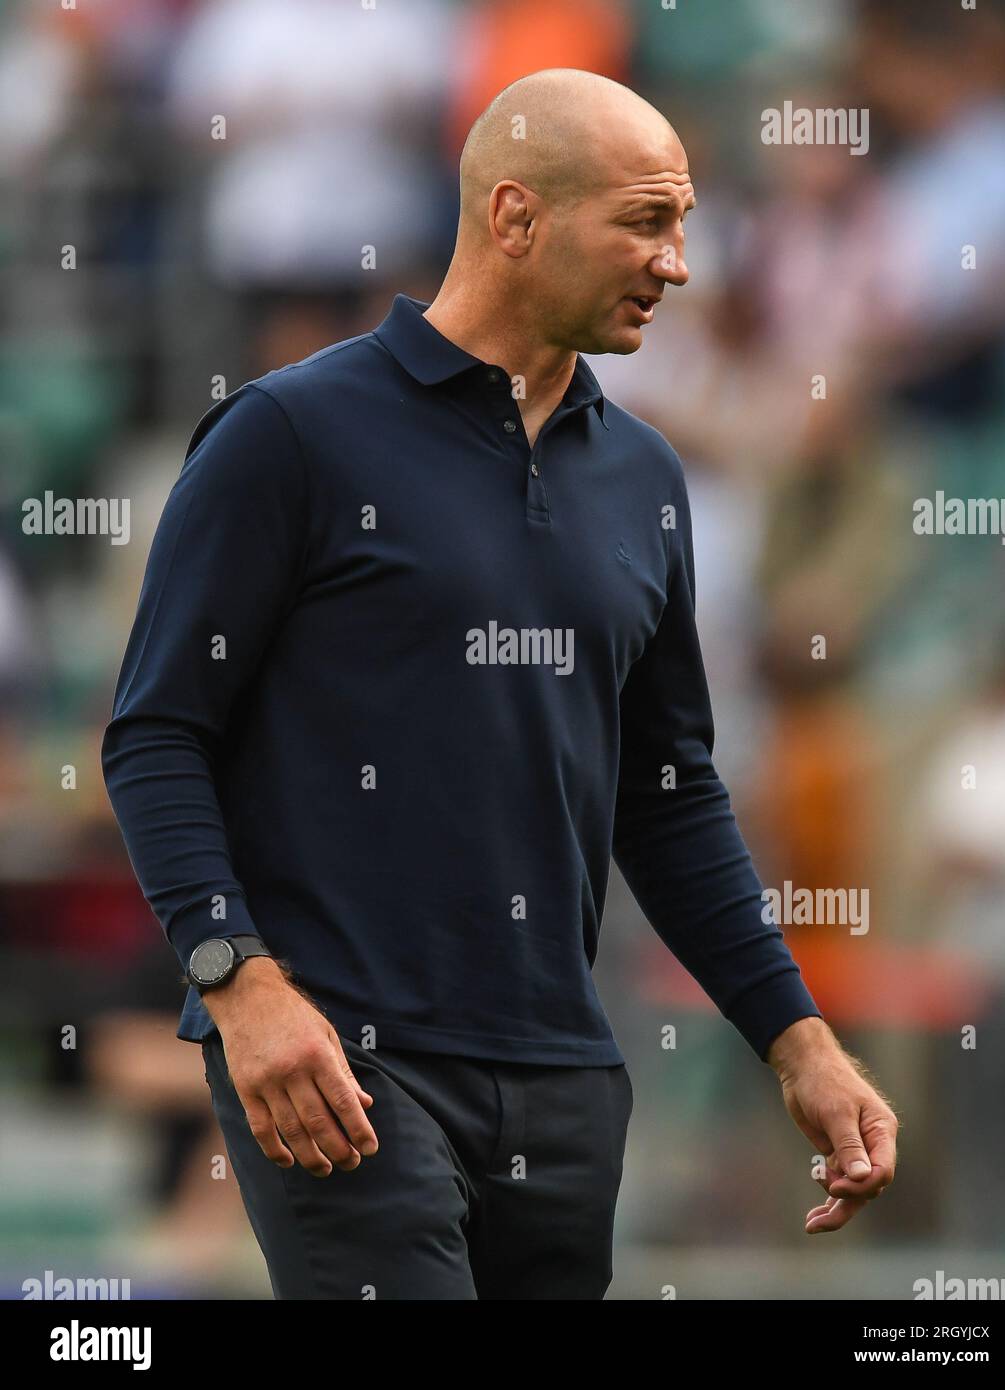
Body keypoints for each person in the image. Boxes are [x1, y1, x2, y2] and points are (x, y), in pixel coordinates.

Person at [101, 68, 898, 1300]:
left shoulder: (646, 479)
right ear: (516, 217)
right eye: (645, 221)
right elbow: (155, 734)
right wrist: (238, 983)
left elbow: (673, 795)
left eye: (681, 222)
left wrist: (797, 1043)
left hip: (565, 1074)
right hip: (340, 1060)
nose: (677, 264)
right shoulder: (289, 434)